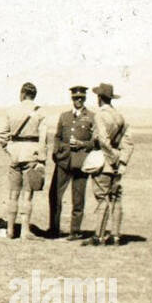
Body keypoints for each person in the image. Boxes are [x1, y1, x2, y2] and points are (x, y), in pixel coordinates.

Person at [0, 82, 48, 240]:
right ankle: (25, 231)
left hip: (15, 153)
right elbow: (43, 138)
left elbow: (1, 133)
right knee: (27, 195)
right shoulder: (40, 112)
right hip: (31, 153)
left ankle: (10, 230)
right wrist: (41, 158)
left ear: (22, 94)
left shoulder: (11, 110)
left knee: (13, 194)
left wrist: (9, 149)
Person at [87, 82, 134, 246]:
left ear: (99, 98)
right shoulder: (119, 116)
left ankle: (98, 237)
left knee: (102, 197)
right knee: (116, 198)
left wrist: (112, 159)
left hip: (104, 162)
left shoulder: (100, 115)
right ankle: (115, 236)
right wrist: (121, 162)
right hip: (117, 164)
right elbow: (128, 142)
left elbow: (103, 140)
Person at [49, 85, 96, 240]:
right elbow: (57, 136)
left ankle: (75, 231)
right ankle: (54, 229)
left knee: (78, 198)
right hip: (63, 162)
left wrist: (82, 145)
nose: (78, 100)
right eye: (76, 98)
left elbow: (95, 142)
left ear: (85, 98)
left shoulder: (91, 117)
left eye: (81, 97)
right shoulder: (64, 117)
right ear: (72, 99)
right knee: (54, 195)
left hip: (81, 163)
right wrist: (56, 152)